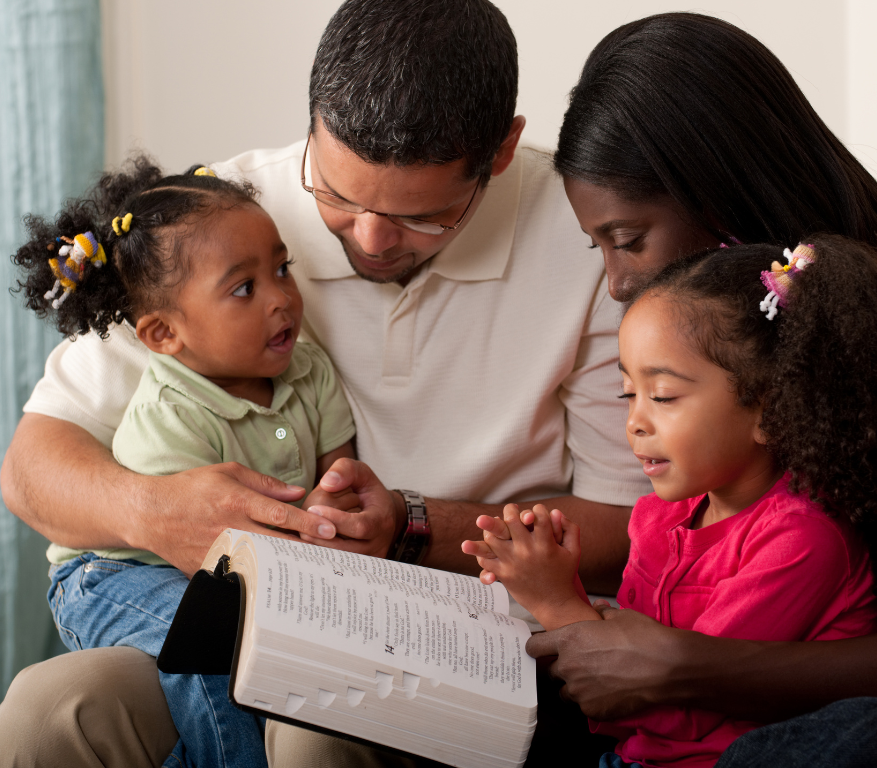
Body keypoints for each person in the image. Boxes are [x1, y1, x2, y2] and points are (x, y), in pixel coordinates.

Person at [0, 1, 648, 766]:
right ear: (312, 121)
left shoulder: (584, 239)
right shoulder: (225, 220)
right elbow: (33, 468)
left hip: (474, 640)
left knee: (315, 732)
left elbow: (623, 531)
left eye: (424, 217)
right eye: (337, 196)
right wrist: (156, 512)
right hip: (274, 614)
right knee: (48, 713)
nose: (370, 240)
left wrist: (410, 529)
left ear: (501, 149)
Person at [526, 12, 877, 767]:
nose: (619, 282)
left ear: (720, 194)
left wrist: (673, 668)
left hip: (870, 726)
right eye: (599, 247)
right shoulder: (687, 358)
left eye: (629, 241)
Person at [467, 236, 877, 766]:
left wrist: (556, 604)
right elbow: (623, 672)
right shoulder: (661, 514)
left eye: (662, 396)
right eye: (627, 393)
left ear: (770, 411)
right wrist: (559, 576)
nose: (635, 421)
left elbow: (661, 701)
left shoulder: (802, 538)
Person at [12, 159, 358, 768]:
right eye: (245, 288)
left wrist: (335, 504)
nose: (281, 298)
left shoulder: (309, 370)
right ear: (164, 334)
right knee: (205, 652)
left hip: (211, 571)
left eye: (282, 269)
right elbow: (212, 551)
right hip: (113, 574)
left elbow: (339, 473)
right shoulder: (169, 416)